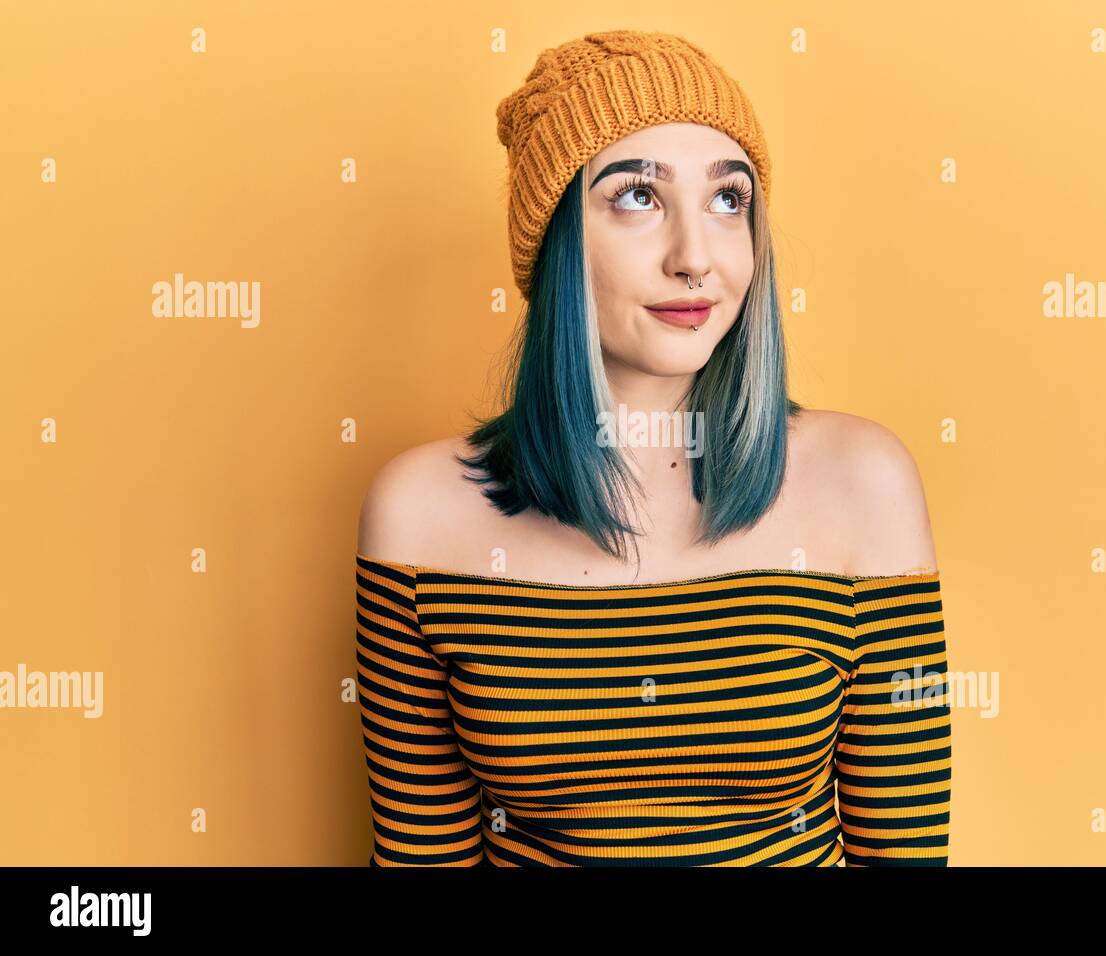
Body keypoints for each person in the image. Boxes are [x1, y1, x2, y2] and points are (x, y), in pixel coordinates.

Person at [354, 29, 951, 866]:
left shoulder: (865, 483)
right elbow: (423, 855)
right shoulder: (418, 516)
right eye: (638, 196)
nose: (696, 258)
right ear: (556, 242)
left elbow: (907, 851)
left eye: (728, 200)